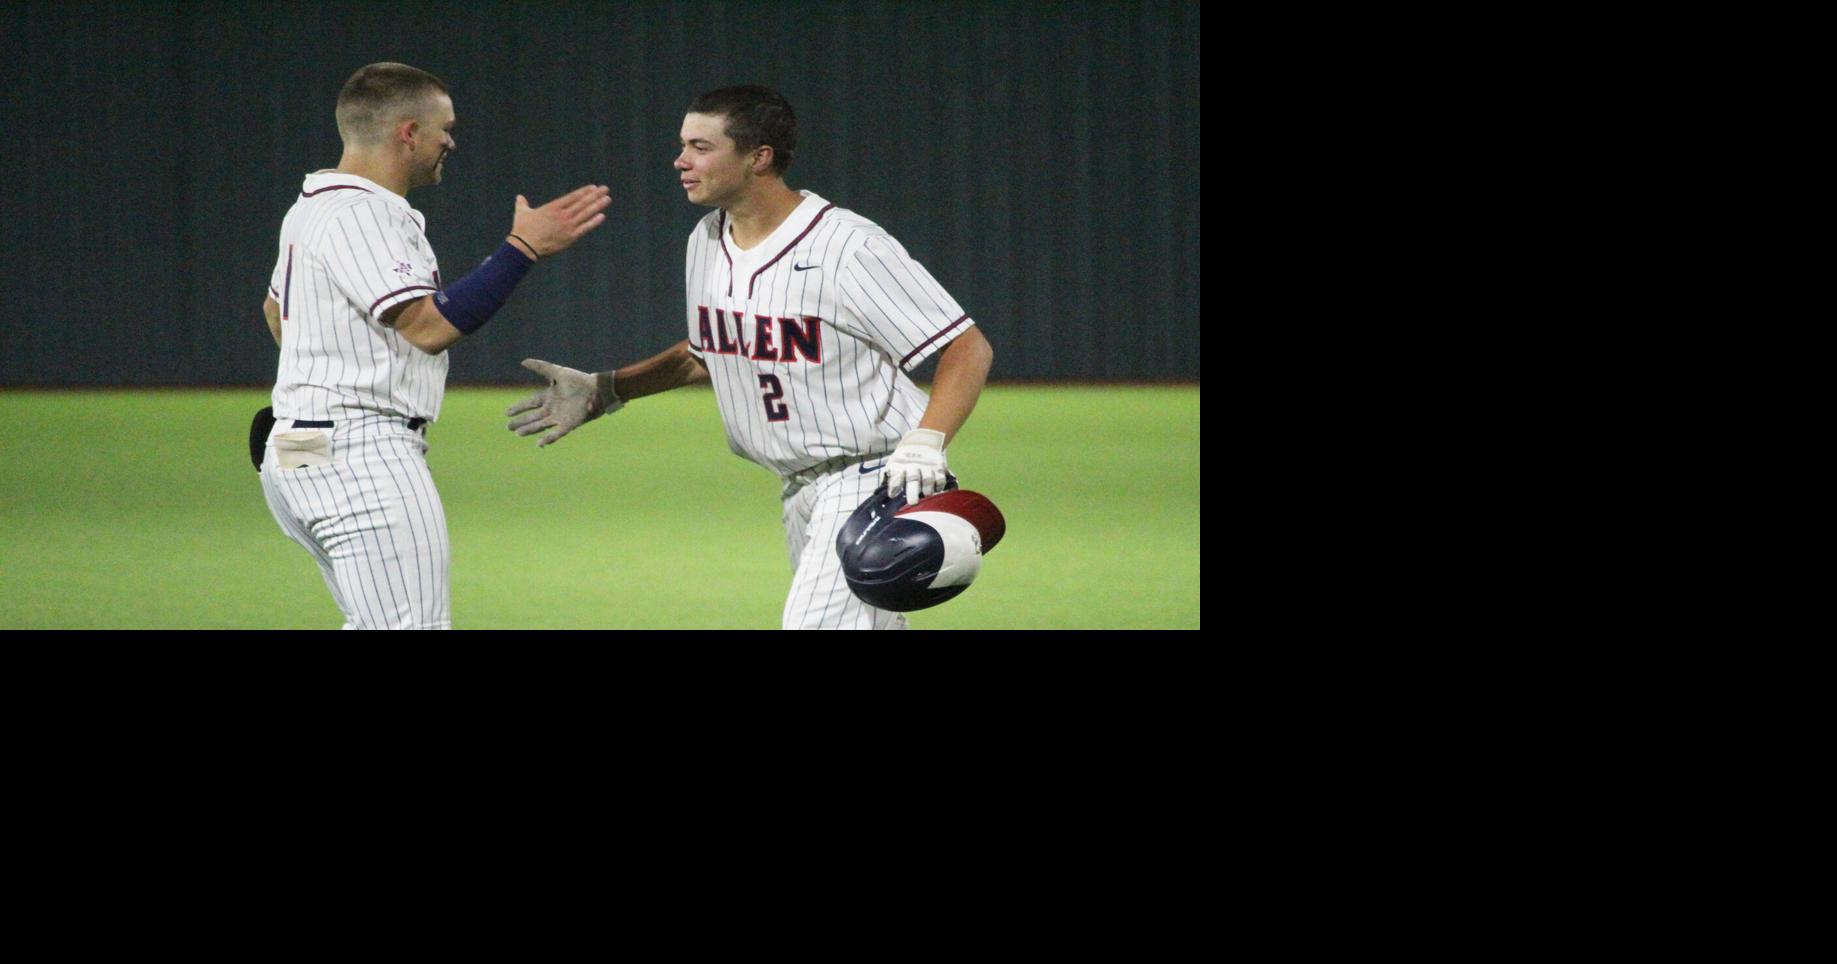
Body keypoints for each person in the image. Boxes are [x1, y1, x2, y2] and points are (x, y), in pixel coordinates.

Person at [508, 85, 993, 630]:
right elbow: (709, 351)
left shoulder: (846, 246)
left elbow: (965, 345)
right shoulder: (706, 239)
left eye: (701, 146)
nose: (681, 160)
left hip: (870, 478)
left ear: (759, 157)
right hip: (797, 488)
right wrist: (610, 388)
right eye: (682, 145)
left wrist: (927, 442)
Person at [259, 62, 610, 629]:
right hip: (361, 456)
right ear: (407, 132)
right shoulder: (360, 212)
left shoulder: (313, 207)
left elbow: (277, 312)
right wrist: (521, 248)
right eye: (443, 127)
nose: (450, 140)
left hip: (302, 450)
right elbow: (427, 328)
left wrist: (311, 405)